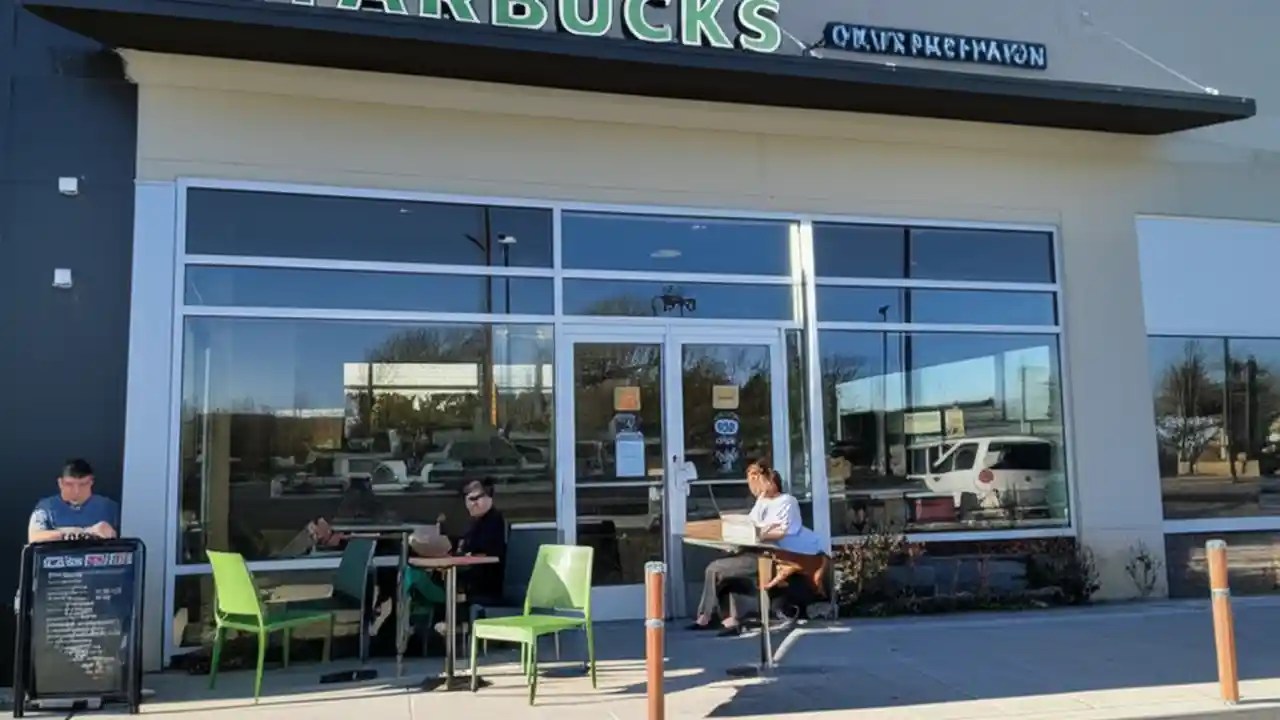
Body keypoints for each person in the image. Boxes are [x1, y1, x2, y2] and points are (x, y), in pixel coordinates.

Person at [688, 458, 821, 636]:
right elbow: (751, 525)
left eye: (756, 481)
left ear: (770, 481)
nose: (753, 488)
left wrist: (759, 534)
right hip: (755, 550)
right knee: (725, 567)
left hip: (773, 555)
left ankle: (708, 617)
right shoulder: (762, 502)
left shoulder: (787, 502)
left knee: (716, 569)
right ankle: (729, 618)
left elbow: (782, 532)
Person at [406, 477, 507, 637]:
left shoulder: (494, 522)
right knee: (412, 574)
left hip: (481, 584)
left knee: (419, 579)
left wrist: (458, 559)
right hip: (463, 578)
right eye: (469, 499)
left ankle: (443, 627)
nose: (473, 504)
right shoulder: (473, 523)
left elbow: (486, 554)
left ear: (490, 497)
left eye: (477, 498)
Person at [27, 459, 121, 544]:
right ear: (60, 483)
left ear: (91, 482)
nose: (76, 491)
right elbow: (34, 537)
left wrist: (113, 534)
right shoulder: (46, 508)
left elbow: (127, 534)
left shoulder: (108, 507)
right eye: (69, 484)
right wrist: (84, 533)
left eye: (83, 484)